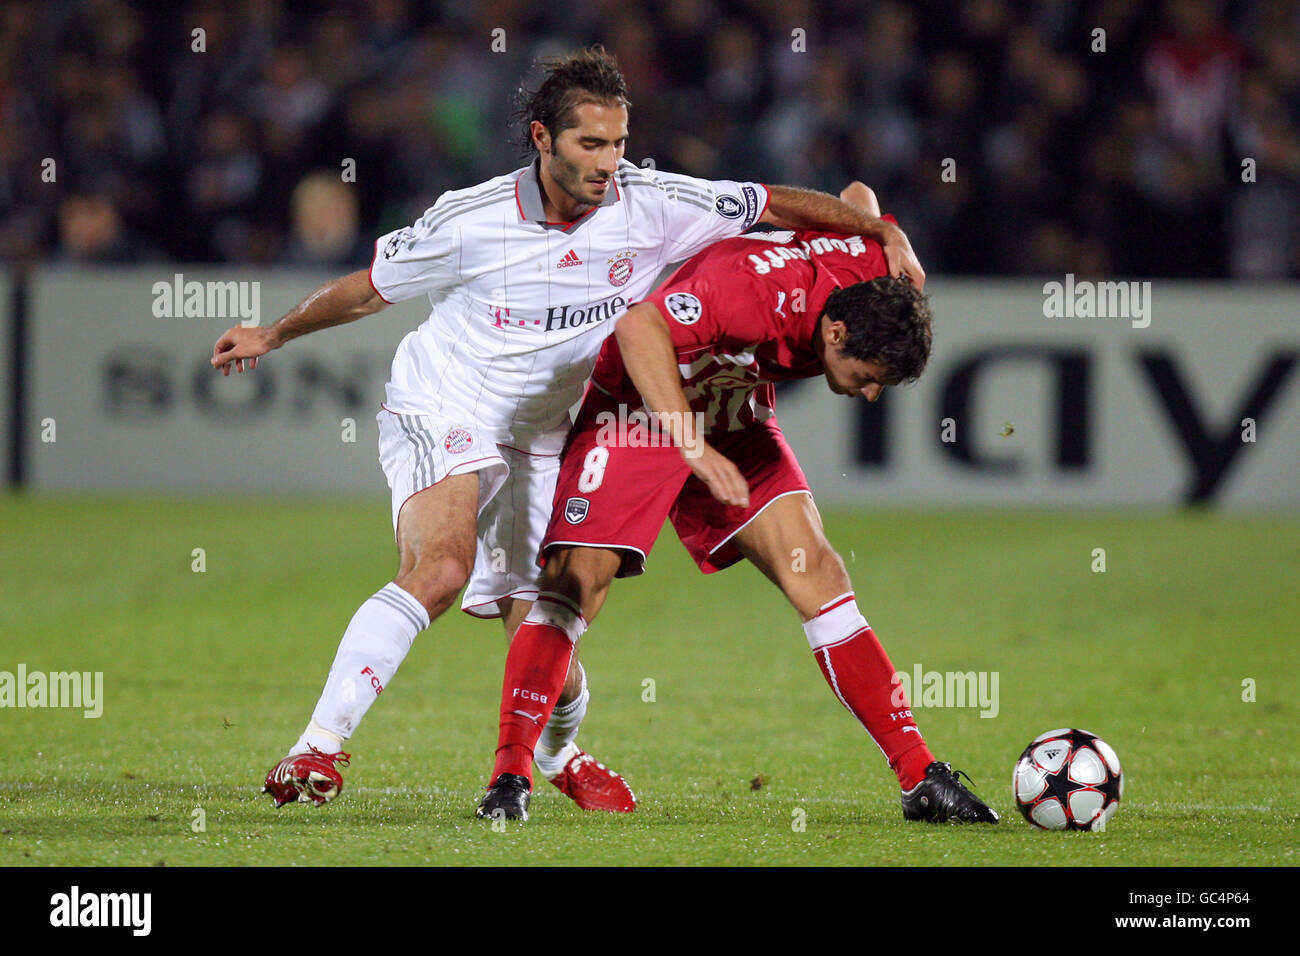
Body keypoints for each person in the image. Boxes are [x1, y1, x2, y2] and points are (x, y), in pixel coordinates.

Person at [210, 48, 926, 814]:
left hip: (547, 434)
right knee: (441, 569)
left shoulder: (652, 201)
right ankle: (316, 747)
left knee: (553, 633)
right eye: (591, 144)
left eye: (618, 144)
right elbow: (366, 292)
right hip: (447, 404)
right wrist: (275, 334)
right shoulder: (471, 219)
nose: (609, 163)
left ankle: (557, 752)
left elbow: (776, 205)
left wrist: (884, 233)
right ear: (542, 137)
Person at [477, 184, 998, 824]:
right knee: (575, 584)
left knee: (820, 570)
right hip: (642, 400)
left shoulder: (875, 276)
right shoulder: (751, 294)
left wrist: (887, 230)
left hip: (728, 407)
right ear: (834, 330)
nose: (868, 396)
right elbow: (640, 326)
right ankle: (510, 774)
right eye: (866, 377)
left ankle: (919, 775)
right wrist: (690, 446)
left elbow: (858, 195)